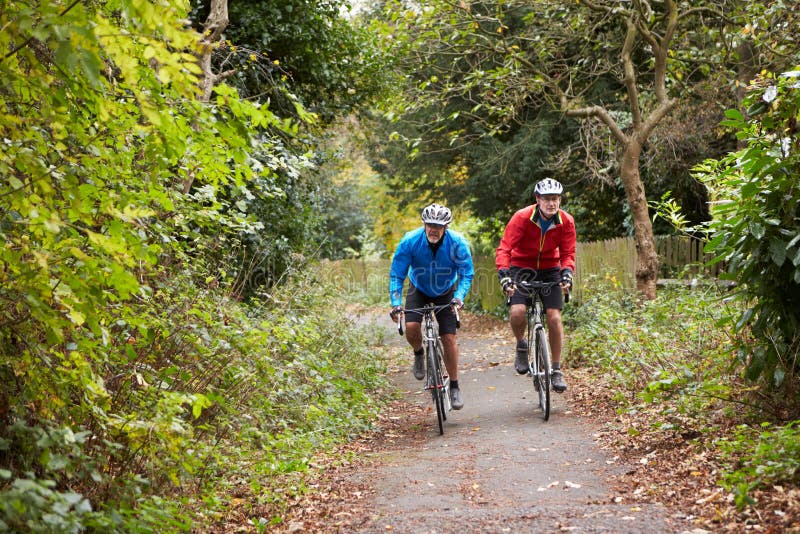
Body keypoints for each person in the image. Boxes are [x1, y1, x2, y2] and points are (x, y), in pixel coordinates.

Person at [389, 203, 475, 410]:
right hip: (418, 288)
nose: (433, 229)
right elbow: (397, 274)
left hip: (446, 291)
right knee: (410, 327)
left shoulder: (457, 243)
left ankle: (454, 386)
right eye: (430, 224)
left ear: (446, 227)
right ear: (424, 224)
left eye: (438, 225)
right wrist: (396, 304)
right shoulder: (410, 240)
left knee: (448, 338)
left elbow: (466, 273)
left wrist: (459, 297)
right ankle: (419, 353)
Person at [495, 178, 576, 392]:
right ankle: (522, 344)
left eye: (556, 199)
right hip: (521, 267)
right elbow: (504, 248)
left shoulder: (566, 221)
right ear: (538, 199)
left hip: (550, 269)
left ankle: (556, 369)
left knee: (554, 317)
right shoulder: (522, 218)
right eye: (547, 199)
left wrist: (567, 273)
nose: (552, 203)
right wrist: (504, 275)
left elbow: (568, 253)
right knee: (518, 312)